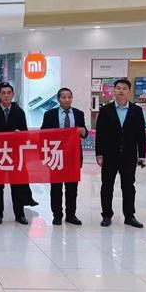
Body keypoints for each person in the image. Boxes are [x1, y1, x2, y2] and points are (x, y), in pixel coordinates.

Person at [95, 78, 146, 229]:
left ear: (129, 91)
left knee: (128, 186)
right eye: (118, 88)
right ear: (114, 90)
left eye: (124, 88)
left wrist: (142, 155)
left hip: (129, 156)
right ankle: (106, 215)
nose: (121, 91)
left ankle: (129, 216)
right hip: (110, 155)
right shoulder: (105, 110)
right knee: (107, 186)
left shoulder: (136, 111)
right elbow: (100, 134)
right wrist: (99, 153)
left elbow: (141, 135)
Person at [0, 82, 31, 225]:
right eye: (3, 93)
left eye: (9, 93)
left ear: (13, 94)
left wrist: (20, 134)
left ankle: (19, 214)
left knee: (17, 185)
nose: (6, 96)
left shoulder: (19, 112)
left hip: (15, 155)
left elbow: (25, 133)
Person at [41, 88, 88, 226]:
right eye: (64, 97)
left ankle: (71, 215)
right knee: (56, 188)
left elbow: (84, 133)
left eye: (69, 97)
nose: (67, 100)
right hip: (56, 156)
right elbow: (43, 134)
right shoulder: (50, 114)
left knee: (72, 188)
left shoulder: (79, 114)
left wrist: (83, 131)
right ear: (58, 99)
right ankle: (57, 215)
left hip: (73, 156)